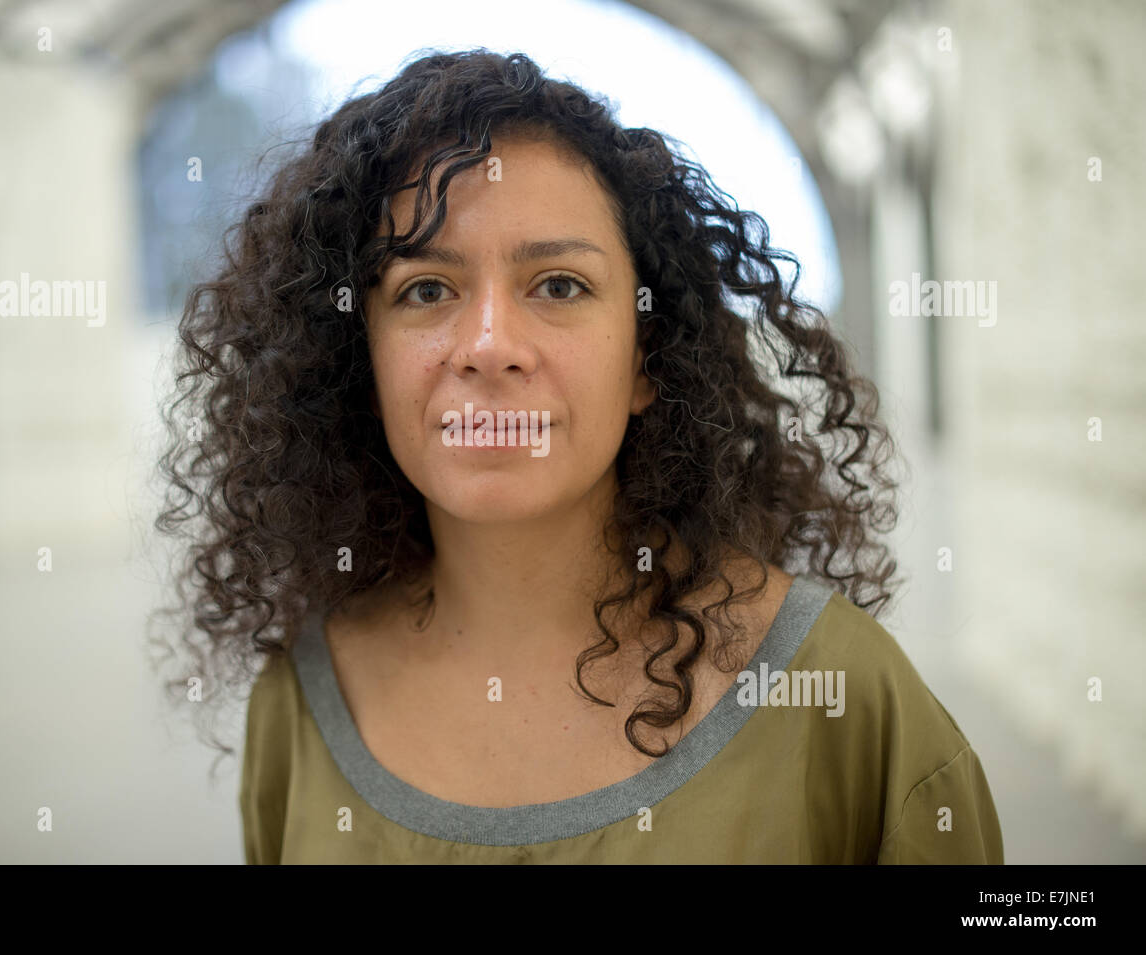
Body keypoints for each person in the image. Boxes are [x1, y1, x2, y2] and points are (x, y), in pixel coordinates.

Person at [153, 48, 1004, 864]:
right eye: (426, 290)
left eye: (558, 285)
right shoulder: (302, 704)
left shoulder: (843, 696)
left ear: (646, 359)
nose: (489, 346)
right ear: (356, 360)